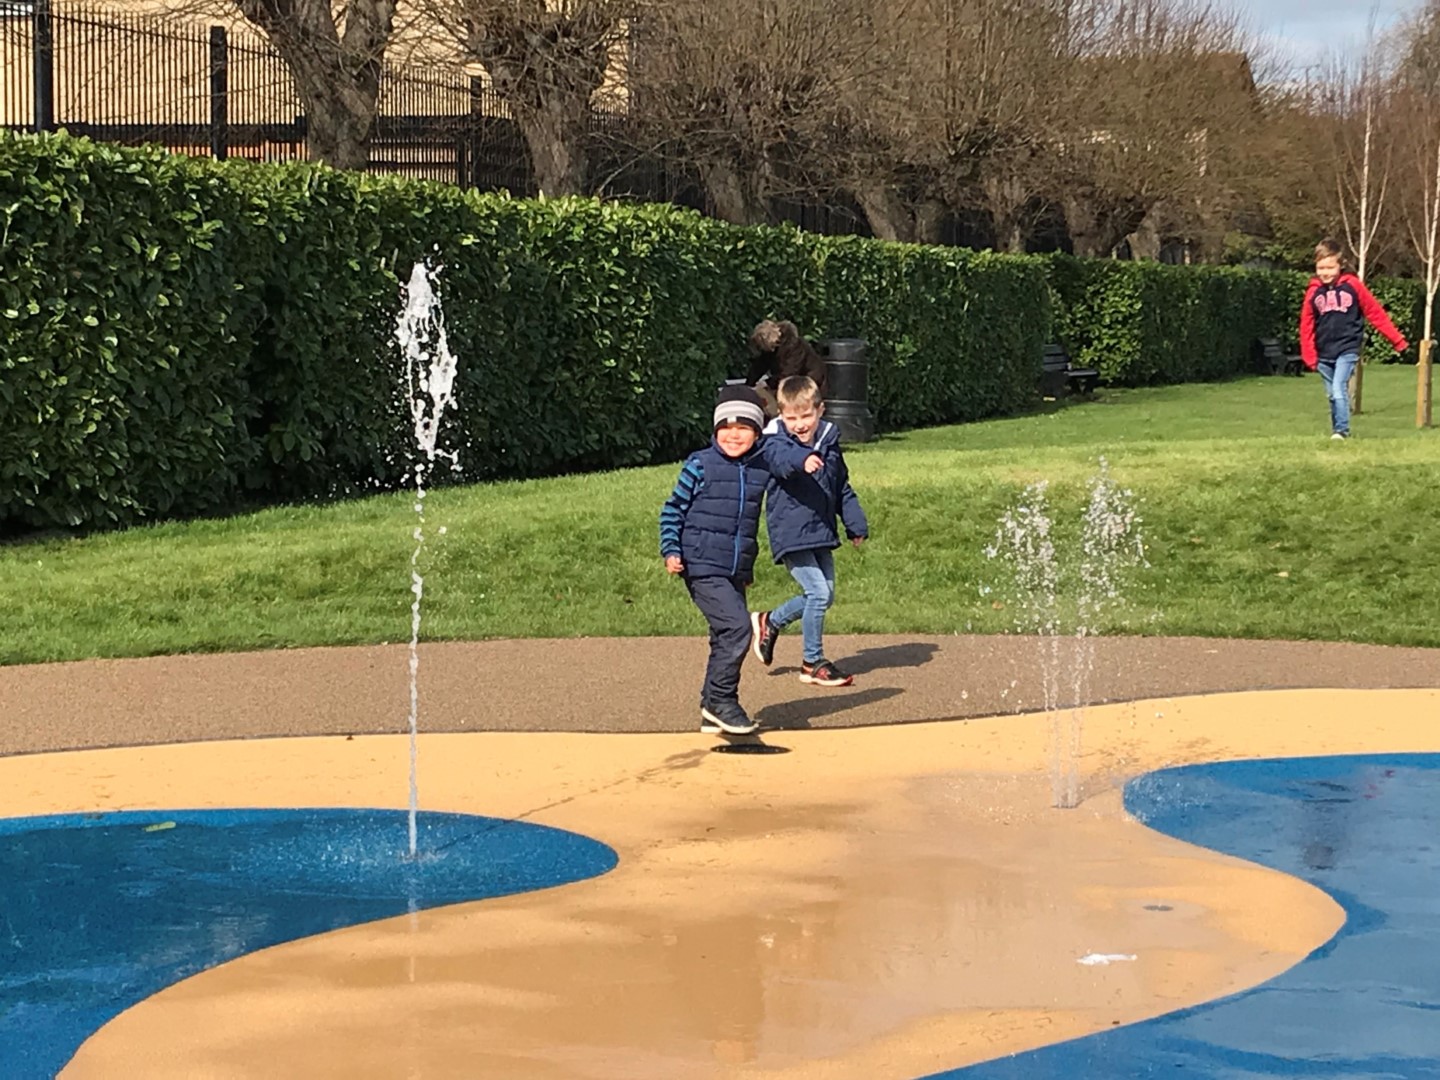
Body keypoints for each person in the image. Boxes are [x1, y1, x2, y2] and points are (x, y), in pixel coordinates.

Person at [660, 385, 823, 735]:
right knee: (737, 628)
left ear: (756, 432)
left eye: (744, 428)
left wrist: (745, 568)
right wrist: (671, 549)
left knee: (724, 634)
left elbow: (748, 517)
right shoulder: (700, 464)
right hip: (700, 563)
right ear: (716, 431)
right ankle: (722, 700)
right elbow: (673, 509)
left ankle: (711, 707)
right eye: (726, 429)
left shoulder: (759, 467)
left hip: (734, 568)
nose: (734, 436)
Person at [749, 375, 868, 688]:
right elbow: (780, 460)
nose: (799, 424)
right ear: (781, 416)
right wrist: (802, 459)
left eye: (806, 416)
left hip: (821, 530)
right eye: (791, 417)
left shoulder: (829, 442)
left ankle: (769, 621)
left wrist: (854, 522)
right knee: (817, 593)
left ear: (820, 410)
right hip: (790, 531)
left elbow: (841, 486)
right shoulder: (775, 441)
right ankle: (812, 662)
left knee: (824, 597)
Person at [1300, 238, 1408, 440]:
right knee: (1332, 394)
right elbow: (1306, 325)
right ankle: (1336, 430)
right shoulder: (1313, 292)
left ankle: (1342, 431)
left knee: (1339, 388)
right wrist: (1309, 355)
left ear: (1341, 266)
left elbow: (1375, 313)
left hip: (1347, 349)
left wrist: (1397, 340)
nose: (1325, 272)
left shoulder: (1353, 286)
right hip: (1323, 353)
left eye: (1330, 267)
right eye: (1321, 267)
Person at [746, 320, 829, 415]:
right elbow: (760, 365)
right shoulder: (773, 347)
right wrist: (748, 384)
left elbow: (790, 373)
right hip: (791, 380)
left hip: (809, 382)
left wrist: (768, 383)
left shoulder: (795, 347)